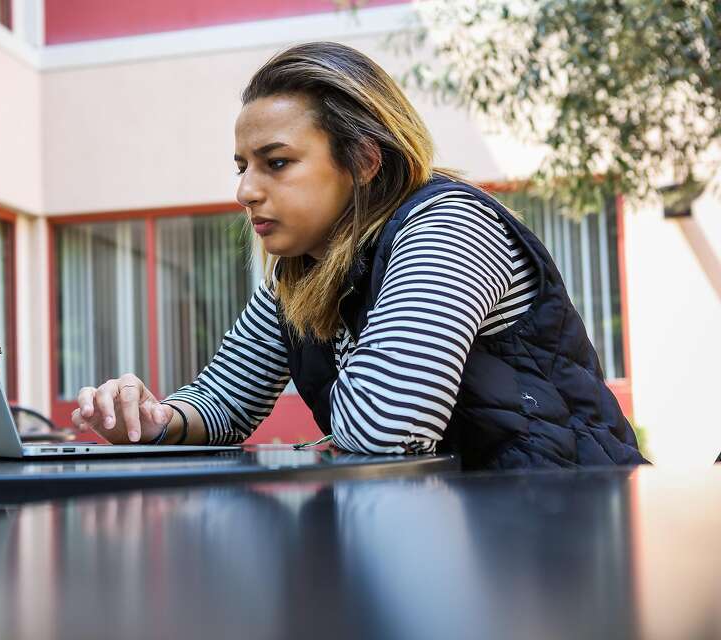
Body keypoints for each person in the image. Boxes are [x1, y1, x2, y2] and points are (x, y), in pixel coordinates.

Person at [71, 41, 646, 470]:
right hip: (463, 539)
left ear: (365, 161)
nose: (245, 191)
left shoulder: (449, 227)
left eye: (276, 162)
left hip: (571, 531)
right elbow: (223, 403)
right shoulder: (306, 273)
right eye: (242, 166)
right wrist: (154, 420)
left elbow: (384, 429)